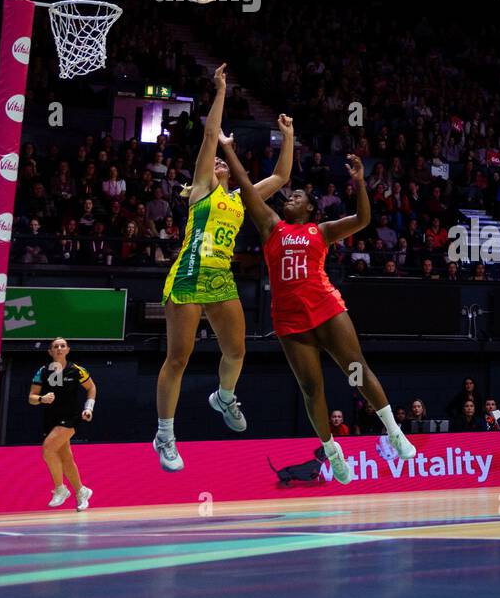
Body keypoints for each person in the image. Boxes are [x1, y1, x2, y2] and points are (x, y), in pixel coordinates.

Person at [218, 137, 415, 482]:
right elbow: (248, 190)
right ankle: (332, 451)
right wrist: (230, 149)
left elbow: (363, 219)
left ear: (309, 208)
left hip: (325, 309)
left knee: (355, 370)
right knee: (312, 389)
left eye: (297, 197)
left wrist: (359, 182)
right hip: (290, 321)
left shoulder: (320, 230)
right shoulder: (271, 227)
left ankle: (393, 431)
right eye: (289, 196)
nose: (290, 197)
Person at [153, 64, 294, 472]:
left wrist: (288, 136)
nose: (215, 162)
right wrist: (220, 90)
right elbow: (211, 135)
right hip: (187, 277)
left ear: (228, 173)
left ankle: (224, 397)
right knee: (178, 358)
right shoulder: (200, 190)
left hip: (220, 280)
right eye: (212, 161)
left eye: (220, 163)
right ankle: (165, 436)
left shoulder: (240, 199)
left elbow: (282, 176)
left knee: (236, 350)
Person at [29, 338, 96, 511]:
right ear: (50, 352)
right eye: (55, 347)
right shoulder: (43, 371)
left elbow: (91, 388)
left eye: (62, 346)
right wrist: (42, 399)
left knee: (48, 450)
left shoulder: (76, 370)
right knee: (66, 459)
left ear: (67, 350)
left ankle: (60, 489)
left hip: (71, 418)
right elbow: (32, 397)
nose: (59, 348)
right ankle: (81, 491)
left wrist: (88, 408)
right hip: (50, 420)